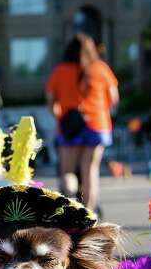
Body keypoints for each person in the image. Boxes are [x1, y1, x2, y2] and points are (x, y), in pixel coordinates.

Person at [46, 33, 119, 211]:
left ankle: (71, 206)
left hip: (70, 125)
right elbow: (114, 98)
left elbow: (50, 101)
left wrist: (59, 117)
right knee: (90, 170)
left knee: (68, 171)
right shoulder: (101, 68)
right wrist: (101, 110)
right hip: (97, 124)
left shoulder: (60, 70)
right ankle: (89, 216)